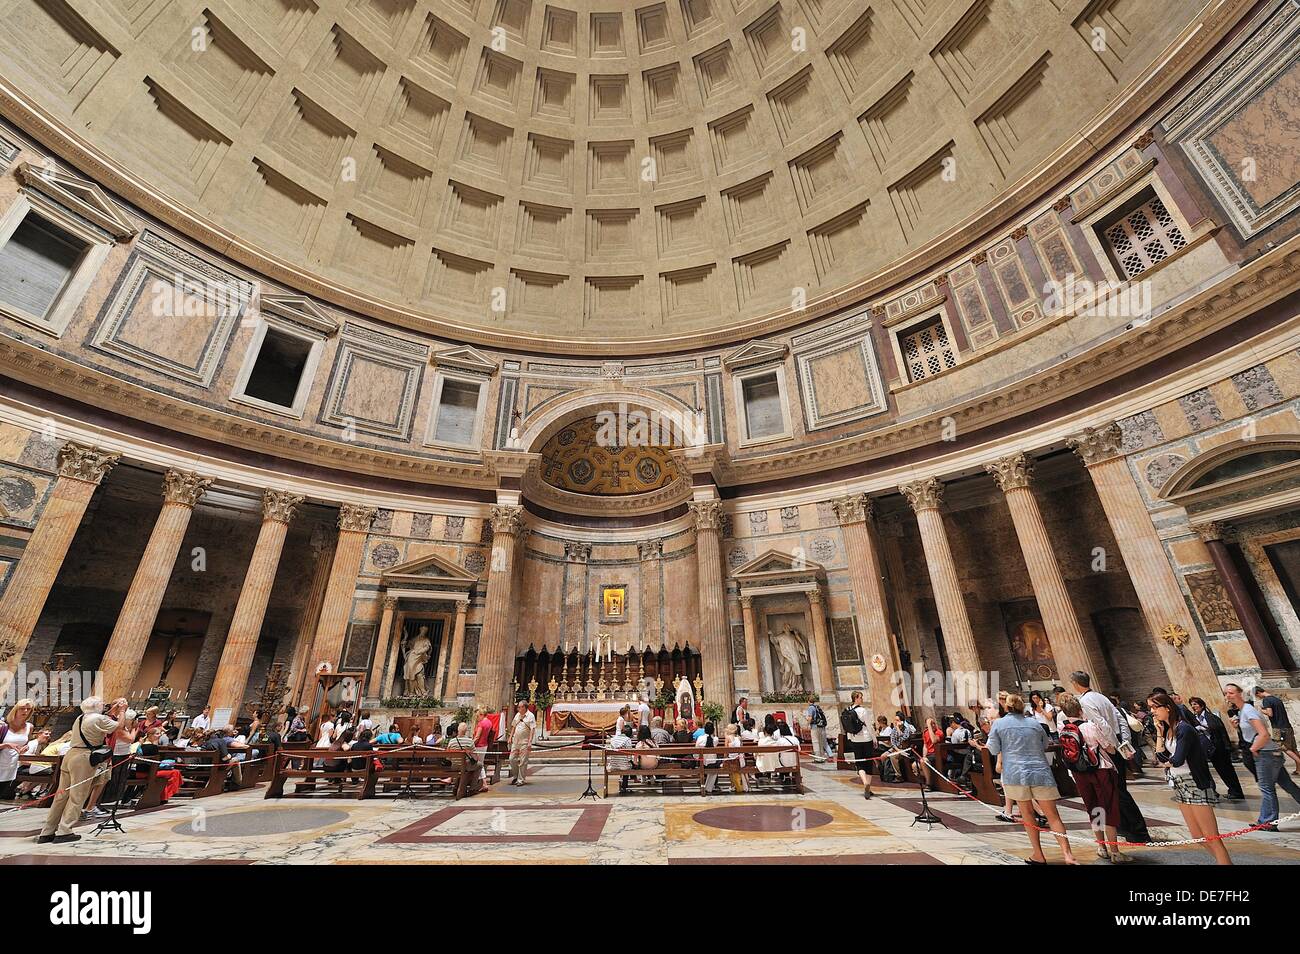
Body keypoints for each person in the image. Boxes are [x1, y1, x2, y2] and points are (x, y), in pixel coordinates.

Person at [987, 693, 1077, 864]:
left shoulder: (999, 723)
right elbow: (1045, 745)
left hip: (1016, 773)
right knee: (1053, 816)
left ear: (1006, 707)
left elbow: (992, 749)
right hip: (1040, 771)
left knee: (1028, 815)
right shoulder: (1034, 723)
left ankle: (1038, 855)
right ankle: (1068, 854)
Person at [1150, 692, 1231, 864]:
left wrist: (1165, 763)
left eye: (1155, 707)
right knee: (1197, 835)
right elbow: (1162, 757)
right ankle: (1223, 862)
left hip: (1194, 781)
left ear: (1168, 707)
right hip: (1179, 783)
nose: (1152, 711)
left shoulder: (1184, 728)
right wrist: (1158, 732)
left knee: (1211, 836)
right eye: (1151, 707)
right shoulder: (1168, 729)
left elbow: (1177, 760)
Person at [1070, 671, 1150, 843]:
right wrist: (1125, 743)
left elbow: (1102, 725)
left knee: (1117, 792)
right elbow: (1121, 719)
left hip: (1109, 748)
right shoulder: (1101, 696)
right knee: (1118, 789)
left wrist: (1114, 747)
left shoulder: (1084, 701)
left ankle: (1138, 831)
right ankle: (1125, 827)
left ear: (1076, 684)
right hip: (1117, 743)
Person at [39, 696, 125, 844]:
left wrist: (114, 709)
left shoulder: (81, 717)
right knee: (77, 795)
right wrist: (122, 711)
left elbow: (102, 719)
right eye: (102, 705)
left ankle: (47, 831)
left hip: (70, 755)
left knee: (61, 795)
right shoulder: (99, 719)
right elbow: (119, 726)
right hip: (83, 758)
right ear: (97, 707)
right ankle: (65, 830)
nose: (104, 707)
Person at [1056, 693, 1129, 864]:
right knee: (1109, 808)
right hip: (1100, 770)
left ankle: (1101, 847)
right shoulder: (1090, 726)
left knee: (1093, 807)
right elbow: (1108, 748)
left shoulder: (1064, 729)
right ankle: (1115, 851)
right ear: (1081, 710)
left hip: (1079, 773)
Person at [1226, 683, 1300, 831]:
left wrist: (1254, 748)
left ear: (1240, 693)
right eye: (1226, 693)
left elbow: (1264, 734)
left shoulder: (1248, 710)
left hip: (1266, 754)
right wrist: (1236, 727)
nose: (1227, 696)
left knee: (1266, 788)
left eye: (1231, 693)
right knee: (1287, 784)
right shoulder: (1243, 711)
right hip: (1270, 753)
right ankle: (1266, 821)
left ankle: (1268, 822)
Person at [1187, 696, 1244, 800]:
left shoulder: (1210, 717)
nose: (1193, 706)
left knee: (1227, 771)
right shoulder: (1197, 718)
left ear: (1202, 705)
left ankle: (1237, 791)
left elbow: (1217, 729)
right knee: (1221, 771)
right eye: (1192, 705)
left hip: (1220, 748)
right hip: (1211, 749)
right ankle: (1232, 790)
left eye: (1195, 704)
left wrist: (1203, 728)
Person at [1255, 686, 1300, 775]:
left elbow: (1270, 713)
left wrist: (1260, 710)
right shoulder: (1277, 699)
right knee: (1293, 748)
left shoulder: (1266, 700)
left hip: (1279, 729)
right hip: (1287, 727)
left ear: (1258, 693)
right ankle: (1298, 770)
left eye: (1256, 696)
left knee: (1284, 748)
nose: (1257, 698)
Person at [0, 699, 35, 801]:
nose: (25, 711)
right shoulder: (3, 725)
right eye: (22, 708)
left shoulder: (30, 727)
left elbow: (25, 743)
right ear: (16, 709)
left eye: (28, 709)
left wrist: (26, 747)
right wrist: (6, 745)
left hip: (11, 767)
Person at [844, 690, 874, 800]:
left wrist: (850, 739)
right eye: (861, 697)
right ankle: (868, 786)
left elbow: (847, 728)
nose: (862, 699)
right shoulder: (863, 710)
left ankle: (865, 782)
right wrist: (874, 738)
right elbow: (869, 726)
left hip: (855, 740)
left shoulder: (847, 710)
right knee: (869, 763)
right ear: (856, 698)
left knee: (859, 763)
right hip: (866, 738)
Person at [508, 702, 533, 786]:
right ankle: (515, 776)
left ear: (524, 708)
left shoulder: (530, 716)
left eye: (519, 707)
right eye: (518, 707)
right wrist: (510, 737)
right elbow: (514, 726)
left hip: (524, 742)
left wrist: (530, 742)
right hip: (516, 741)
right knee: (511, 759)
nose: (518, 709)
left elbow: (532, 729)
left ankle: (521, 779)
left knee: (523, 761)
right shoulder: (517, 715)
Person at [608, 723, 635, 793]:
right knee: (629, 764)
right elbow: (630, 754)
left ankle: (624, 786)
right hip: (624, 766)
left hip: (613, 765)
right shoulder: (628, 740)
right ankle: (624, 786)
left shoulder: (613, 739)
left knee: (623, 761)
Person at [696, 721, 720, 793]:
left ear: (704, 729)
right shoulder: (716, 739)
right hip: (713, 762)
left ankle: (703, 782)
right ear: (713, 730)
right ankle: (714, 783)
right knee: (716, 761)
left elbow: (696, 748)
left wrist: (697, 758)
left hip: (702, 762)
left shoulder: (700, 738)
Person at [723, 723, 748, 792]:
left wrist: (724, 759)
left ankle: (733, 785)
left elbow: (726, 751)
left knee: (727, 767)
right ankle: (736, 784)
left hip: (731, 760)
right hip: (738, 760)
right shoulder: (739, 738)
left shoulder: (727, 738)